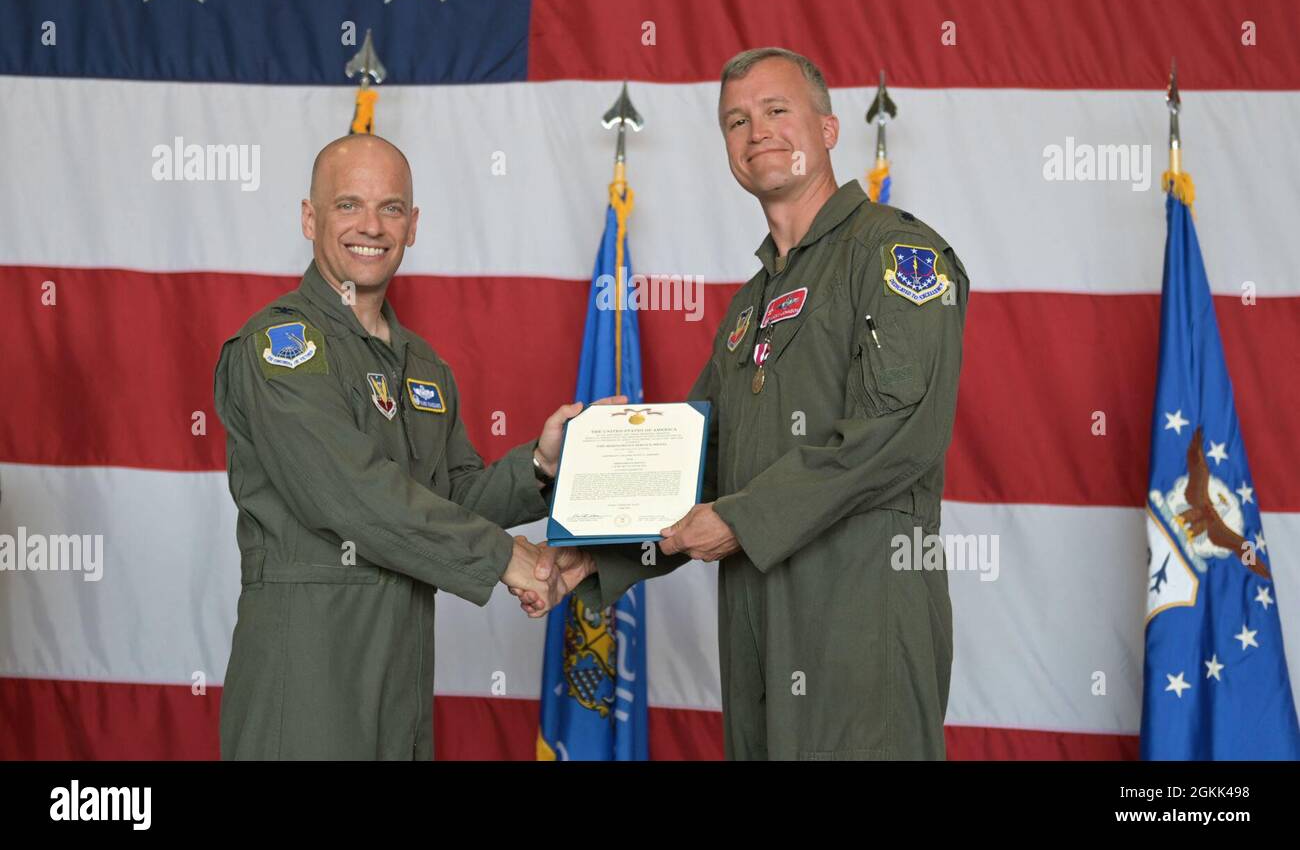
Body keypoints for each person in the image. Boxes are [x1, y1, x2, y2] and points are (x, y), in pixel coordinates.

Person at [523, 48, 970, 760]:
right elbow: (695, 465)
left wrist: (740, 519)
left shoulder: (896, 255)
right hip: (757, 627)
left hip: (860, 620)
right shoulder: (749, 308)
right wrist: (595, 561)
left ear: (826, 128)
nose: (755, 130)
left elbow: (897, 433)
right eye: (736, 119)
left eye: (776, 110)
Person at [213, 133, 602, 760]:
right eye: (348, 205)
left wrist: (542, 463)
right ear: (309, 218)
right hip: (307, 673)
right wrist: (507, 558)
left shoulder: (423, 366)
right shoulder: (280, 347)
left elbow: (449, 499)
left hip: (403, 675)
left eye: (391, 208)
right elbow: (351, 495)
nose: (371, 225)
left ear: (413, 225)